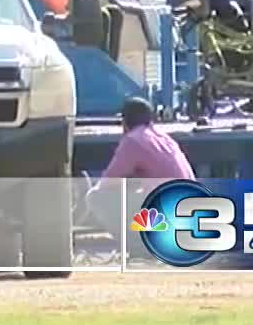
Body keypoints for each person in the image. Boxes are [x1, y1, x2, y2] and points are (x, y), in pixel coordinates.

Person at [83, 97, 197, 247]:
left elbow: (107, 182)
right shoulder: (164, 137)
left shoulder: (133, 140)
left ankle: (138, 246)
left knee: (95, 196)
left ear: (125, 121)